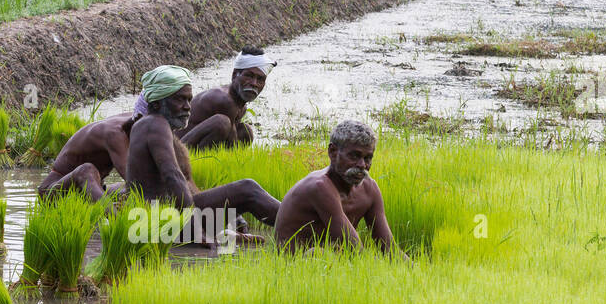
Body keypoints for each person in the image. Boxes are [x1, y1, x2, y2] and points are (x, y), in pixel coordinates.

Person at [125, 65, 280, 240]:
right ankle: (305, 222)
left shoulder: (161, 129)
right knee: (248, 189)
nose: (187, 107)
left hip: (165, 218)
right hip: (159, 221)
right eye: (180, 100)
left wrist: (225, 212)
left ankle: (304, 223)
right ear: (156, 103)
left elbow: (184, 184)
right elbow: (172, 176)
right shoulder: (154, 124)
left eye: (189, 100)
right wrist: (197, 230)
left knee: (242, 192)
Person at [273, 119, 403, 257]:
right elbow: (352, 247)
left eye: (368, 158)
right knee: (317, 254)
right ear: (333, 152)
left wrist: (416, 272)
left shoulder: (370, 189)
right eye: (354, 156)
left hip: (336, 265)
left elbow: (390, 250)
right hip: (295, 266)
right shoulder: (319, 187)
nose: (362, 165)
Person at [180, 47, 274, 150]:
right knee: (222, 122)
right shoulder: (224, 100)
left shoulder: (240, 105)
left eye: (260, 79)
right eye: (249, 76)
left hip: (192, 145)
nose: (254, 83)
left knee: (245, 131)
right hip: (180, 150)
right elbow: (231, 145)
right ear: (234, 75)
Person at [36, 112, 135, 200]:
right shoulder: (114, 133)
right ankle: (114, 216)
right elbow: (132, 179)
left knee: (127, 187)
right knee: (86, 170)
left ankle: (107, 207)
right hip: (51, 191)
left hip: (91, 191)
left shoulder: (134, 122)